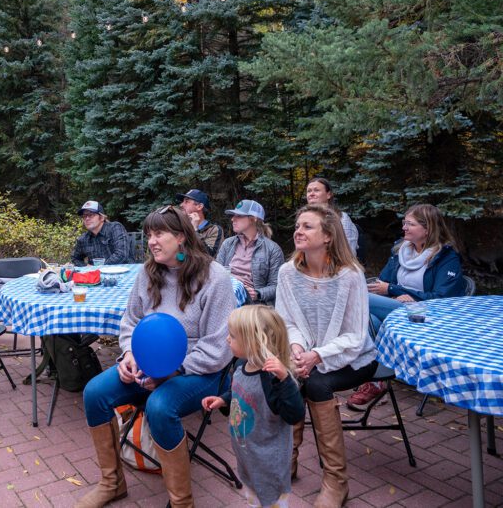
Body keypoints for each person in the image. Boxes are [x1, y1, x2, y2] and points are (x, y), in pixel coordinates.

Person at [77, 205, 235, 507]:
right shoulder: (147, 272)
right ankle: (112, 484)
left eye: (159, 233)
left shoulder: (215, 278)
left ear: (181, 237)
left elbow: (218, 348)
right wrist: (128, 355)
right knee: (94, 392)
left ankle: (181, 502)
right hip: (147, 366)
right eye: (149, 234)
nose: (151, 241)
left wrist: (172, 371)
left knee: (161, 407)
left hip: (200, 371)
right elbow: (131, 322)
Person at [275, 204, 377, 508]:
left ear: (328, 235)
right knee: (285, 376)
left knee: (317, 384)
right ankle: (286, 463)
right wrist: (296, 349)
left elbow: (356, 336)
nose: (298, 231)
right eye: (298, 225)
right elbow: (286, 321)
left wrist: (316, 355)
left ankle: (335, 481)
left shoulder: (350, 276)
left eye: (307, 226)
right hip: (305, 354)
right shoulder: (287, 272)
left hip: (353, 357)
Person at [348, 203, 465, 409]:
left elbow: (442, 298)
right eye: (404, 223)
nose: (404, 228)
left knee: (359, 298)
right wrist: (392, 292)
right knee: (370, 317)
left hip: (428, 313)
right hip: (397, 308)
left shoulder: (446, 257)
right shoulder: (401, 250)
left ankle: (375, 378)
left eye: (410, 224)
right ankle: (377, 381)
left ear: (427, 228)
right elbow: (382, 280)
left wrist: (395, 290)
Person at [201, 305, 305, 508]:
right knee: (254, 497)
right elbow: (241, 391)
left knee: (273, 501)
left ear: (254, 342)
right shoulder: (242, 365)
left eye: (232, 336)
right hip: (248, 456)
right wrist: (223, 400)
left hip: (269, 463)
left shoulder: (272, 379)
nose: (227, 340)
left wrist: (284, 379)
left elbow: (294, 414)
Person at [216, 200, 284, 306]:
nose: (233, 219)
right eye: (233, 215)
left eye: (239, 216)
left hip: (252, 304)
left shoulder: (273, 249)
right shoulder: (228, 244)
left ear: (253, 219)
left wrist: (257, 293)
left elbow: (277, 286)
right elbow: (216, 273)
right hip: (225, 292)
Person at [304, 178, 359, 256]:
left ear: (328, 195)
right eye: (309, 191)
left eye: (316, 190)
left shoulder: (342, 219)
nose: (311, 194)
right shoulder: (303, 220)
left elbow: (349, 253)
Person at [69, 201, 133, 266]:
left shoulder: (115, 228)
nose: (87, 218)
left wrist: (100, 268)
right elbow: (75, 258)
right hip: (97, 275)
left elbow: (121, 254)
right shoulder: (83, 239)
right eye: (84, 216)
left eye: (91, 215)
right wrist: (86, 266)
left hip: (124, 272)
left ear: (102, 218)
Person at [178, 189, 223, 256]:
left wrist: (194, 231)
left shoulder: (214, 230)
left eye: (186, 201)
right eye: (182, 201)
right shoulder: (179, 227)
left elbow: (210, 255)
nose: (181, 205)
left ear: (199, 206)